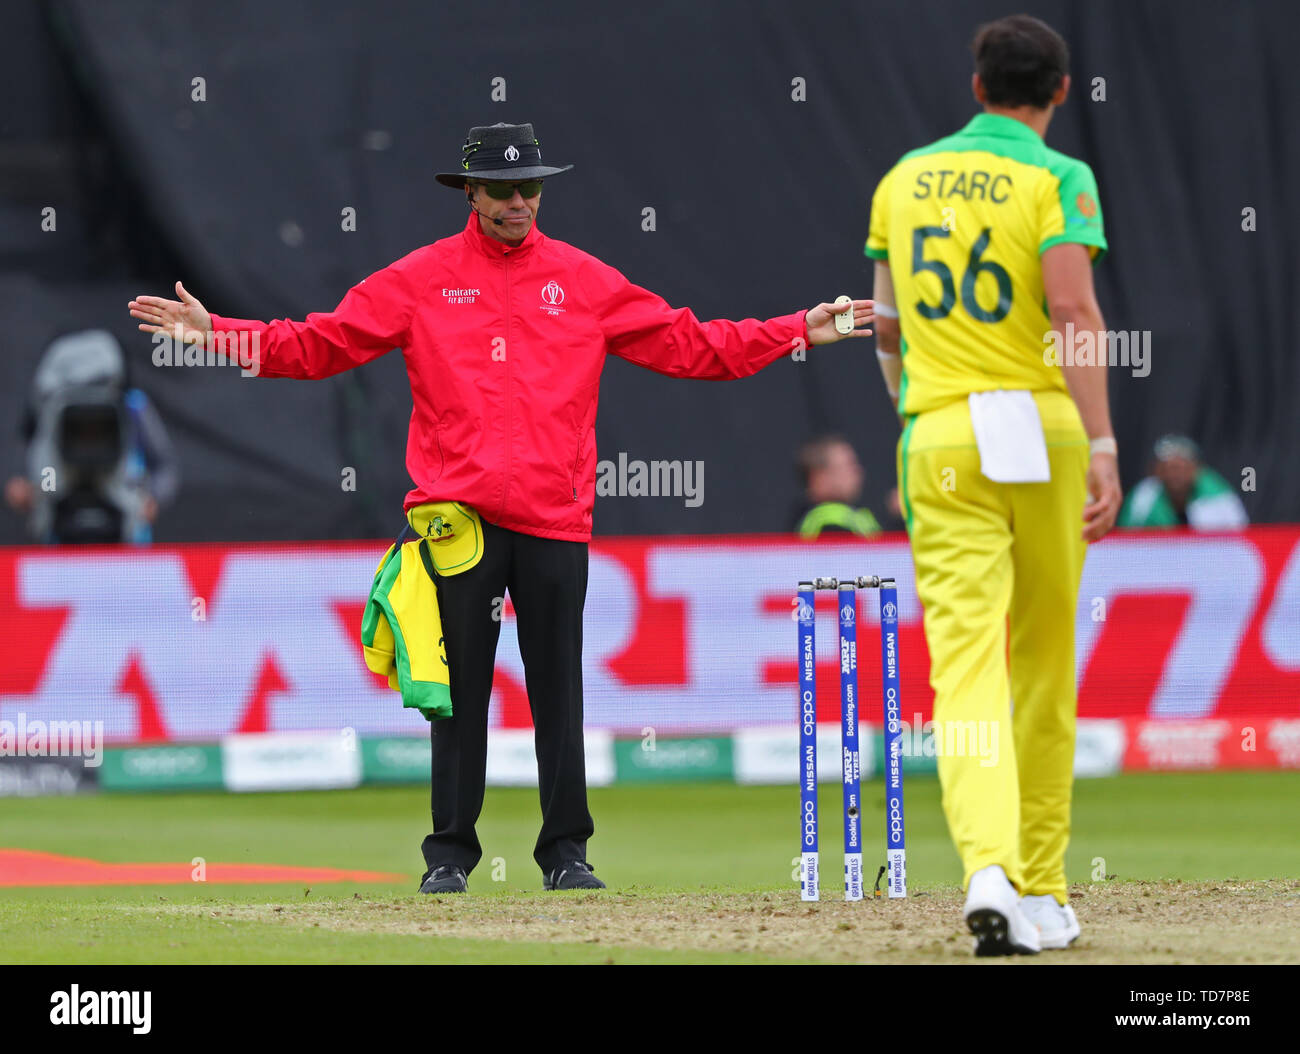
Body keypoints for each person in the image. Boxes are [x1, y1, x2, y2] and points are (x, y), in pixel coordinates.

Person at [128, 121, 874, 894]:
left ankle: (567, 854)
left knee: (559, 692)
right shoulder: (421, 278)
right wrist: (219, 337)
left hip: (554, 518)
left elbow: (694, 345)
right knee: (458, 695)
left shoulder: (584, 280)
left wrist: (797, 333)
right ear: (471, 192)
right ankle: (449, 854)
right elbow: (319, 345)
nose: (519, 202)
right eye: (503, 190)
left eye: (531, 188)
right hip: (460, 524)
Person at [864, 17, 1122, 954]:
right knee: (1045, 662)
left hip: (939, 436)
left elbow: (886, 331)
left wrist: (915, 415)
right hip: (1043, 433)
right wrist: (1101, 442)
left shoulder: (903, 179)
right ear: (1059, 92)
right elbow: (1073, 310)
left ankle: (984, 868)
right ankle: (1044, 890)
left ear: (976, 88)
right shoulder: (1060, 178)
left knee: (965, 665)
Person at [4, 329, 179, 544]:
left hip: (125, 524)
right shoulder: (48, 413)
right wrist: (33, 492)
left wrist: (150, 499)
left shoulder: (132, 406)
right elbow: (38, 468)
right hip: (59, 525)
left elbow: (164, 465)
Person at [1119, 434, 1247, 529]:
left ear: (1196, 469)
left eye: (1181, 468)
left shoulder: (1218, 495)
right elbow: (1126, 538)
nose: (1175, 475)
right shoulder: (1144, 497)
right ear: (1156, 471)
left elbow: (1239, 535)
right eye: (1168, 468)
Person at [791, 434, 881, 537]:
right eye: (848, 466)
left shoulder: (859, 513)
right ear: (820, 477)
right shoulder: (821, 524)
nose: (858, 472)